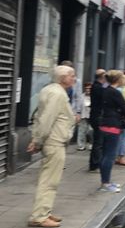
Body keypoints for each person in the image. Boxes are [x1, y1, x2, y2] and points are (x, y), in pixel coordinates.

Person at [27, 65, 77, 227]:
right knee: (49, 181)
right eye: (71, 75)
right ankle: (40, 216)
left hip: (52, 140)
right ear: (62, 78)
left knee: (49, 179)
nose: (74, 78)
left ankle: (44, 211)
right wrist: (37, 140)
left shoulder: (50, 90)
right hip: (54, 141)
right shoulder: (57, 94)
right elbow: (47, 118)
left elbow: (39, 115)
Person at [99, 70, 125, 192]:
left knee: (105, 155)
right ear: (118, 80)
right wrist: (120, 110)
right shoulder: (115, 92)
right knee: (110, 156)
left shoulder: (105, 90)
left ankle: (105, 181)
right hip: (113, 126)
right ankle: (106, 184)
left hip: (104, 124)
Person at [89, 69, 108, 172]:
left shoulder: (97, 86)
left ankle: (94, 163)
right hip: (98, 117)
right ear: (102, 77)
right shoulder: (98, 87)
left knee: (98, 141)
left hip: (96, 116)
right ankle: (95, 164)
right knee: (98, 142)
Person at [76, 82, 93, 151]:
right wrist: (78, 114)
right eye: (86, 88)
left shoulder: (94, 96)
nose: (88, 90)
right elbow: (78, 106)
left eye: (89, 89)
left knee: (91, 131)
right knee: (81, 131)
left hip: (92, 116)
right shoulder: (82, 96)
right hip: (83, 115)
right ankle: (81, 145)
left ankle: (91, 144)